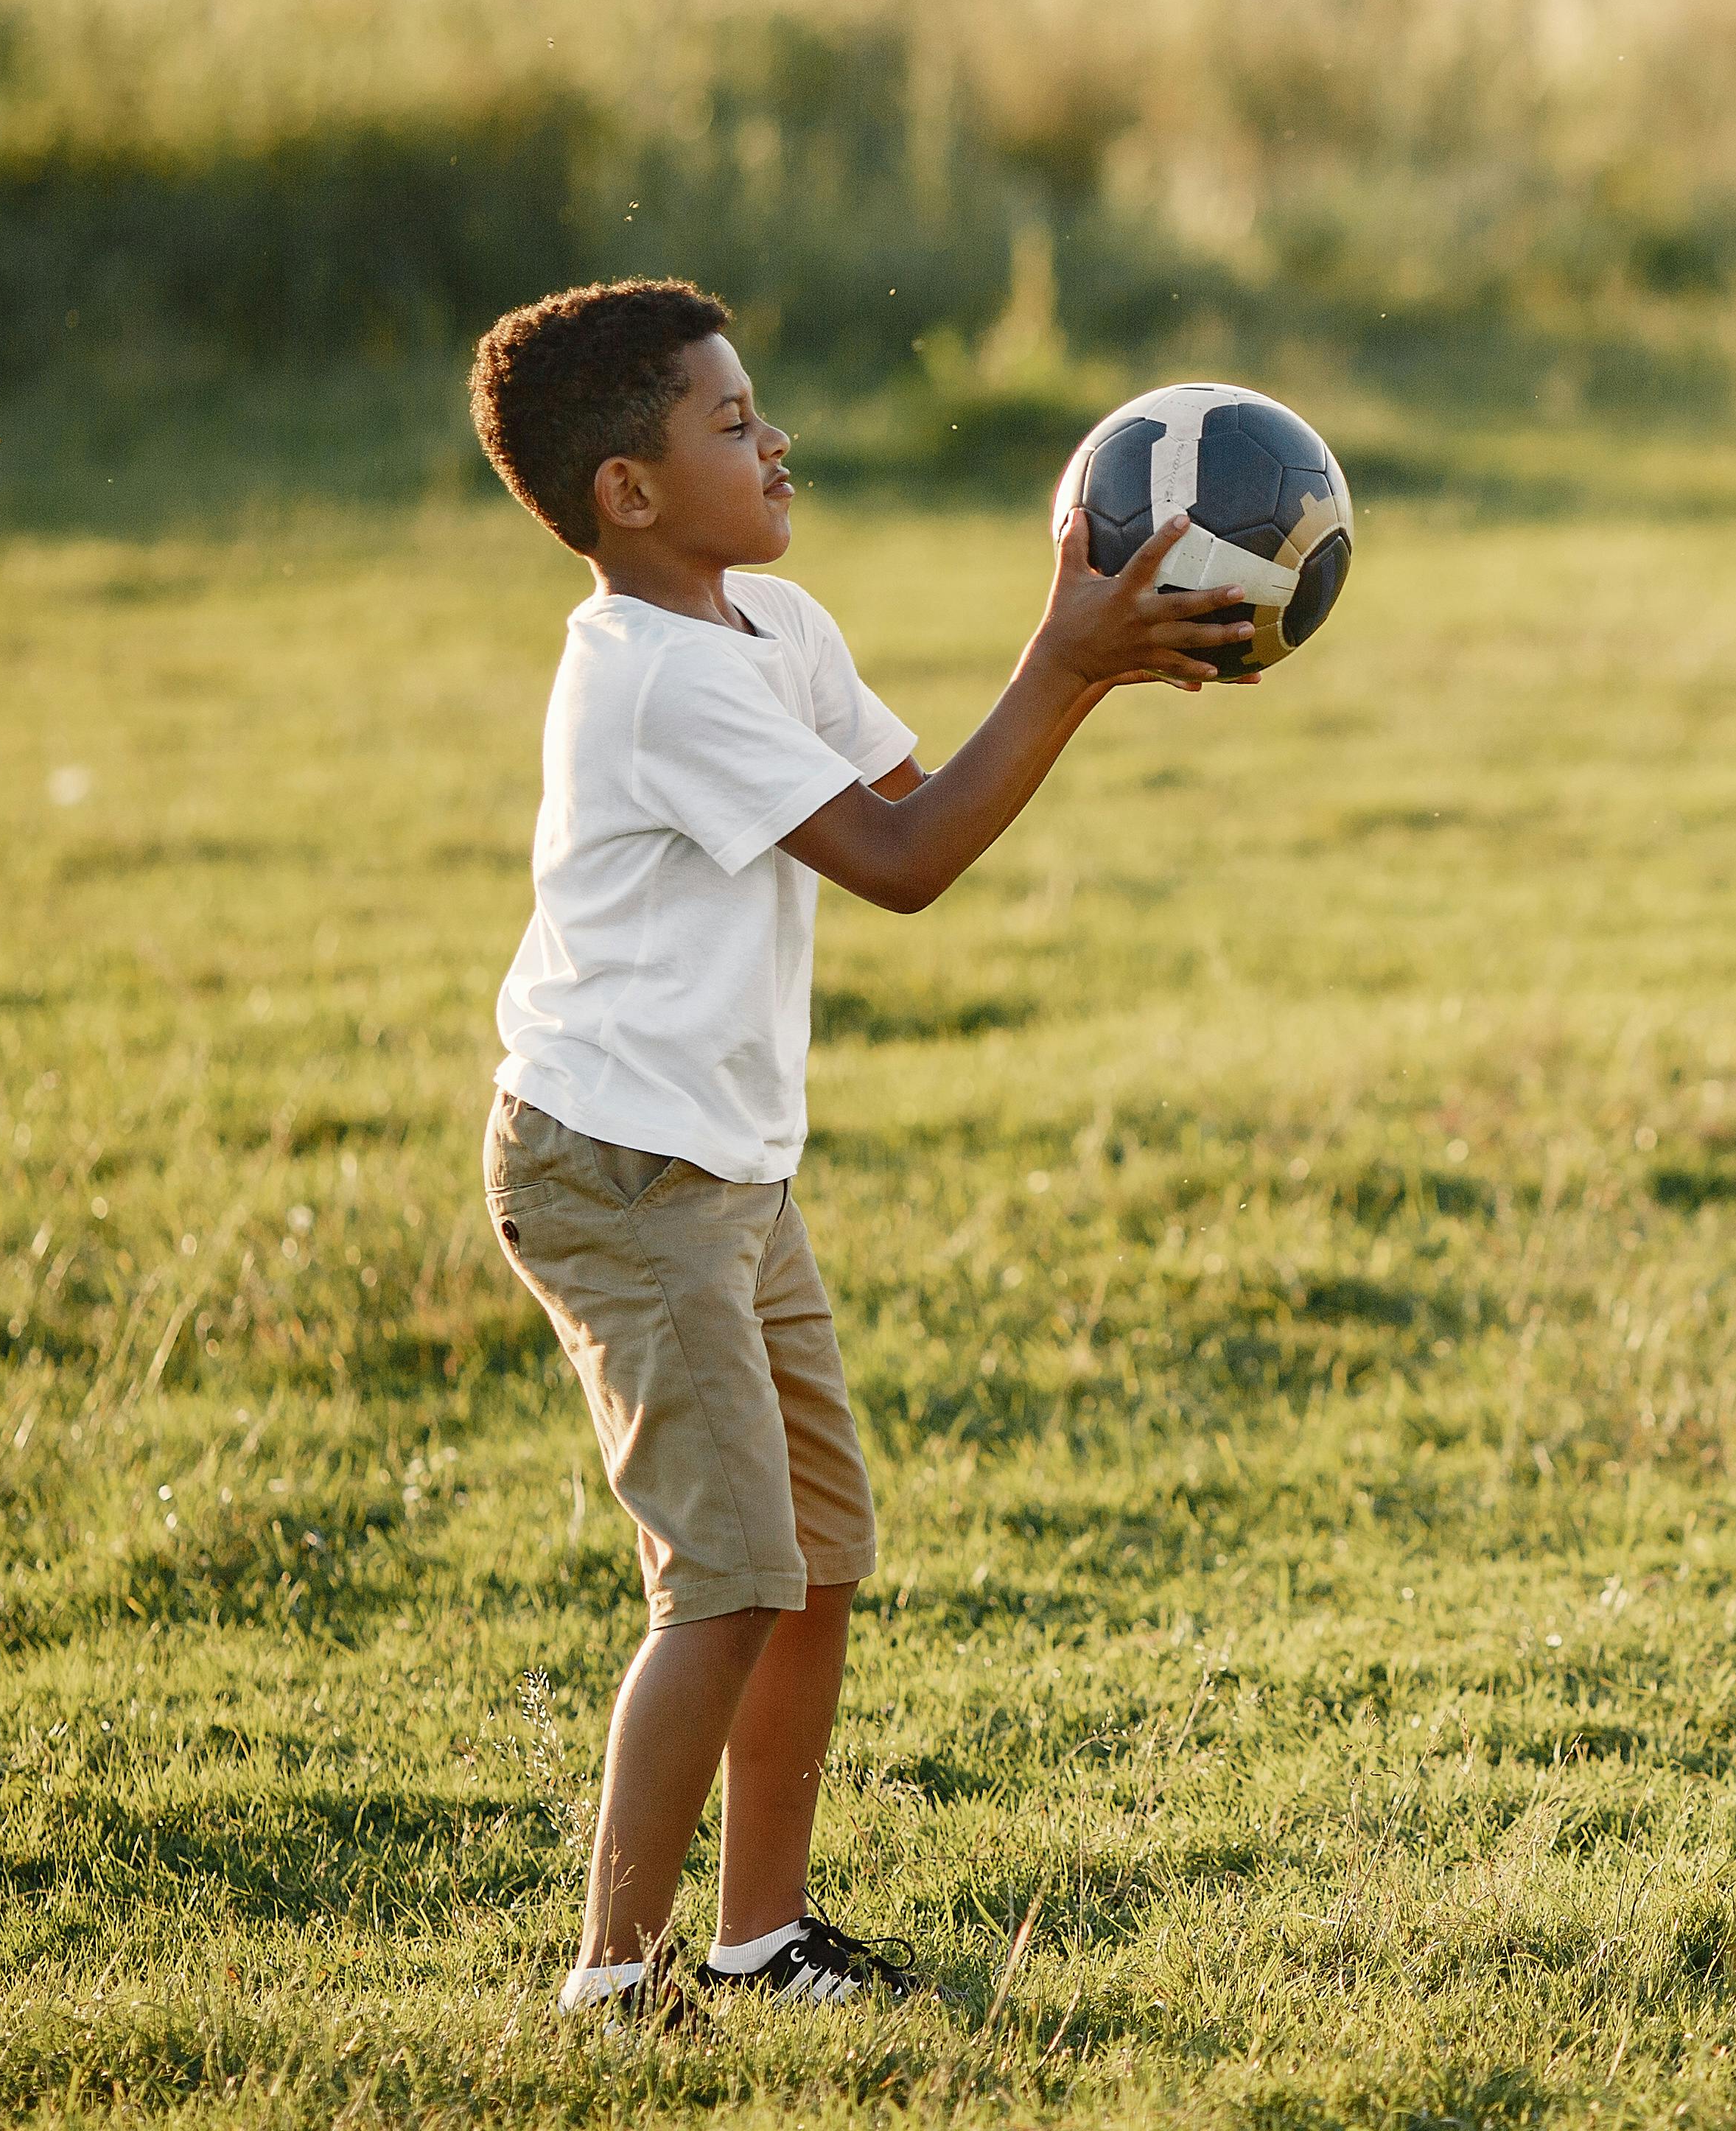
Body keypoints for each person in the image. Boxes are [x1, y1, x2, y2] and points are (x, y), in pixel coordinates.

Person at [466, 281, 1245, 2022]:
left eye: (763, 408)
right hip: (618, 1175)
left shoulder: (769, 628)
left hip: (727, 1170)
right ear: (630, 493)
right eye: (731, 424)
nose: (774, 438)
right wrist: (1071, 663)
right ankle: (613, 1979)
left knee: (815, 1556)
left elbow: (925, 788)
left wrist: (1090, 661)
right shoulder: (656, 681)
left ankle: (762, 1938)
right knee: (730, 1576)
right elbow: (901, 864)